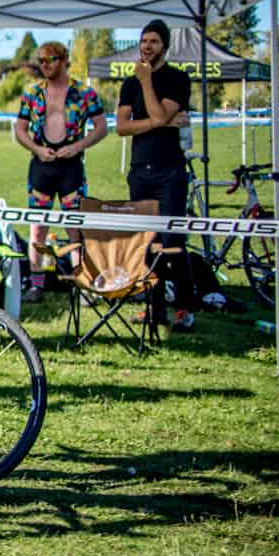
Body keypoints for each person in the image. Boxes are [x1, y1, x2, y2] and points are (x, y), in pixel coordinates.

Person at [115, 19, 197, 331]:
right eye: (143, 41)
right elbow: (122, 127)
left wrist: (148, 82)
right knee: (147, 242)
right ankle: (155, 307)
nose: (147, 46)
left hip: (170, 171)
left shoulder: (177, 79)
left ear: (165, 46)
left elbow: (160, 111)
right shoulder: (129, 82)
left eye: (153, 41)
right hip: (140, 171)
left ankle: (185, 308)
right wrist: (161, 121)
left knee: (173, 241)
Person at [12, 41, 108, 299]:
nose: (44, 65)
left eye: (49, 60)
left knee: (75, 227)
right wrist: (37, 148)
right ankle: (36, 284)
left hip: (71, 167)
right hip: (41, 165)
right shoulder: (33, 92)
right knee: (37, 227)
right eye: (40, 60)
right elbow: (19, 128)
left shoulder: (84, 92)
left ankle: (82, 282)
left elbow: (101, 127)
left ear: (64, 61)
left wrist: (78, 147)